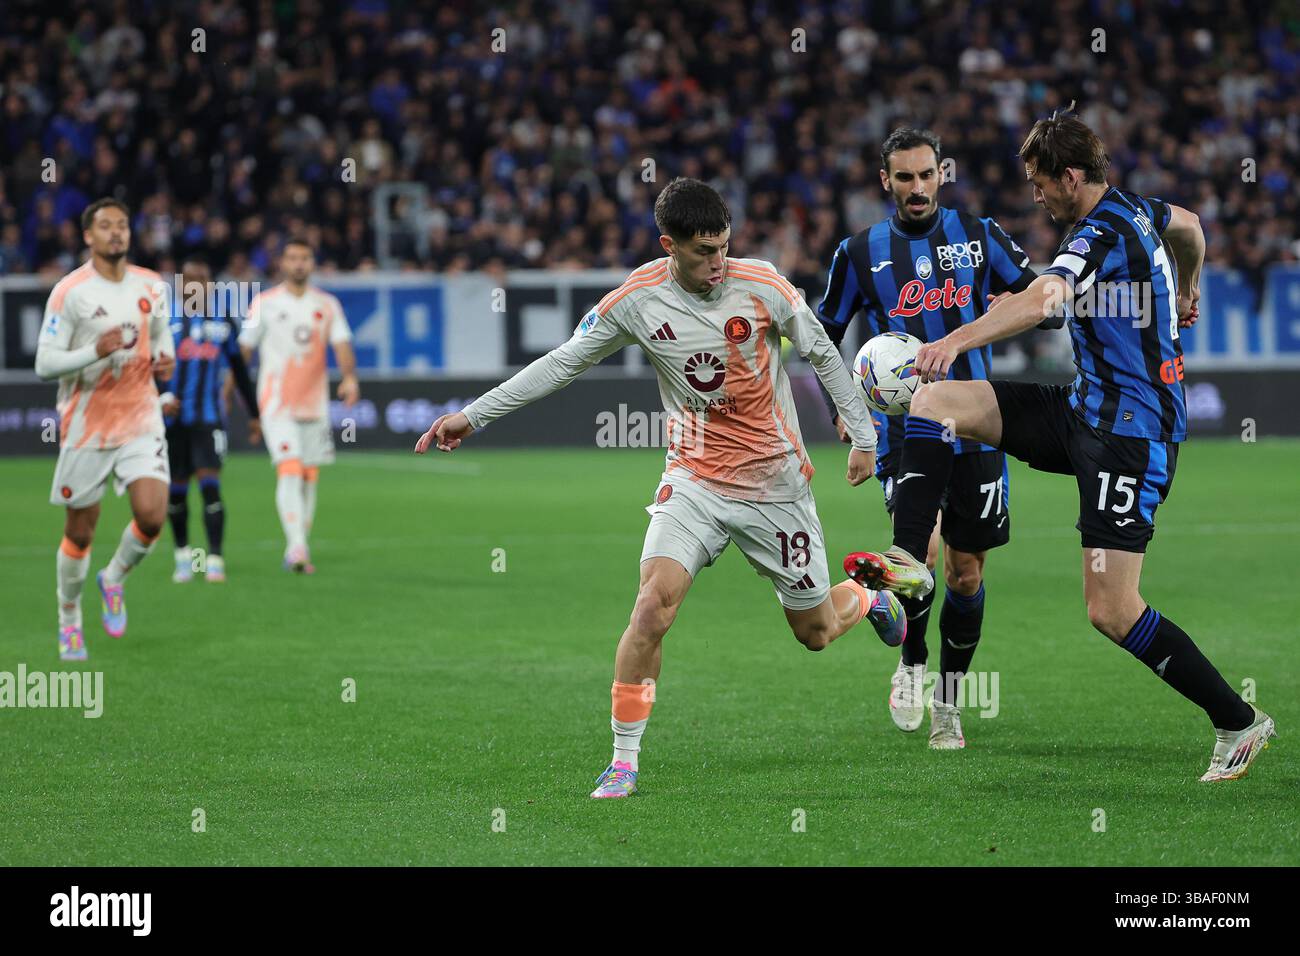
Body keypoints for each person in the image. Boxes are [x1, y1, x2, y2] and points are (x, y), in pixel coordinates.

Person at [415, 178, 906, 799]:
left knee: (814, 634)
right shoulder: (638, 300)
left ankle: (868, 599)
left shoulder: (764, 286)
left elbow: (824, 353)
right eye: (704, 252)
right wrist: (474, 414)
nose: (719, 263)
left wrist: (862, 435)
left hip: (775, 485)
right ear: (668, 244)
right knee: (652, 606)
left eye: (725, 246)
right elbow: (562, 363)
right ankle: (623, 761)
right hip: (694, 479)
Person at [846, 112, 1274, 782]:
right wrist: (1188, 286)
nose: (1036, 197)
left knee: (1110, 611)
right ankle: (908, 559)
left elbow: (1047, 294)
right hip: (1081, 411)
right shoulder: (1140, 208)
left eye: (1041, 184)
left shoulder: (1099, 232)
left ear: (1071, 179)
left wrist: (954, 342)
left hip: (1131, 438)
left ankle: (1238, 721)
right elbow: (1190, 224)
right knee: (934, 401)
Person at [817, 128, 1043, 748]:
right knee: (921, 555)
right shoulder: (858, 253)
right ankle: (912, 663)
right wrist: (848, 411)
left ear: (940, 174)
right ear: (884, 181)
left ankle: (948, 700)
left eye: (925, 175)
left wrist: (1008, 304)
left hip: (979, 425)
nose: (916, 188)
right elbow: (821, 335)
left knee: (966, 575)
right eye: (903, 177)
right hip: (905, 432)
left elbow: (1038, 296)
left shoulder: (979, 236)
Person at [34, 198, 175, 660]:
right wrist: (94, 350)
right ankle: (69, 619)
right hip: (88, 424)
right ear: (87, 237)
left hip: (140, 413)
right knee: (80, 532)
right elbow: (45, 363)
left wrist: (163, 360)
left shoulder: (151, 285)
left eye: (123, 225)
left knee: (153, 515)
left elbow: (160, 334)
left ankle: (113, 578)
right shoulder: (69, 292)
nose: (116, 232)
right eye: (106, 226)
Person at [239, 239, 359, 573]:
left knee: (309, 475)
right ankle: (297, 548)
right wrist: (235, 394)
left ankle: (299, 545)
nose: (299, 264)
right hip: (275, 403)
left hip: (314, 403)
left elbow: (342, 344)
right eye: (292, 258)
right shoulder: (264, 303)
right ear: (283, 263)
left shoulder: (327, 304)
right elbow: (244, 351)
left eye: (305, 258)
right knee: (290, 468)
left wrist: (349, 377)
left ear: (312, 263)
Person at [161, 255, 260, 583]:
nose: (195, 287)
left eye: (201, 280)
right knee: (176, 492)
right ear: (181, 286)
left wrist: (254, 414)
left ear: (209, 285)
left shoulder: (223, 322)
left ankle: (214, 559)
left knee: (210, 488)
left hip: (208, 419)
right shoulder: (165, 320)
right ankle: (184, 556)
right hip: (172, 422)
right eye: (189, 280)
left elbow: (240, 371)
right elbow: (146, 368)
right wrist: (158, 398)